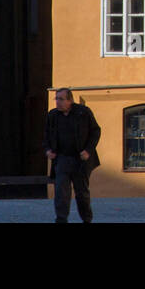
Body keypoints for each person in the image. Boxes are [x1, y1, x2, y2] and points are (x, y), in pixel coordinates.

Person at [44, 88, 101, 223]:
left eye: (61, 99)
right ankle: (61, 219)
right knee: (61, 192)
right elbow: (46, 135)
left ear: (70, 100)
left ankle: (87, 219)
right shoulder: (53, 115)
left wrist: (88, 150)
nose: (57, 102)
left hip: (80, 160)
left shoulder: (83, 112)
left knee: (82, 193)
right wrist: (47, 150)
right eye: (56, 99)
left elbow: (95, 131)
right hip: (62, 159)